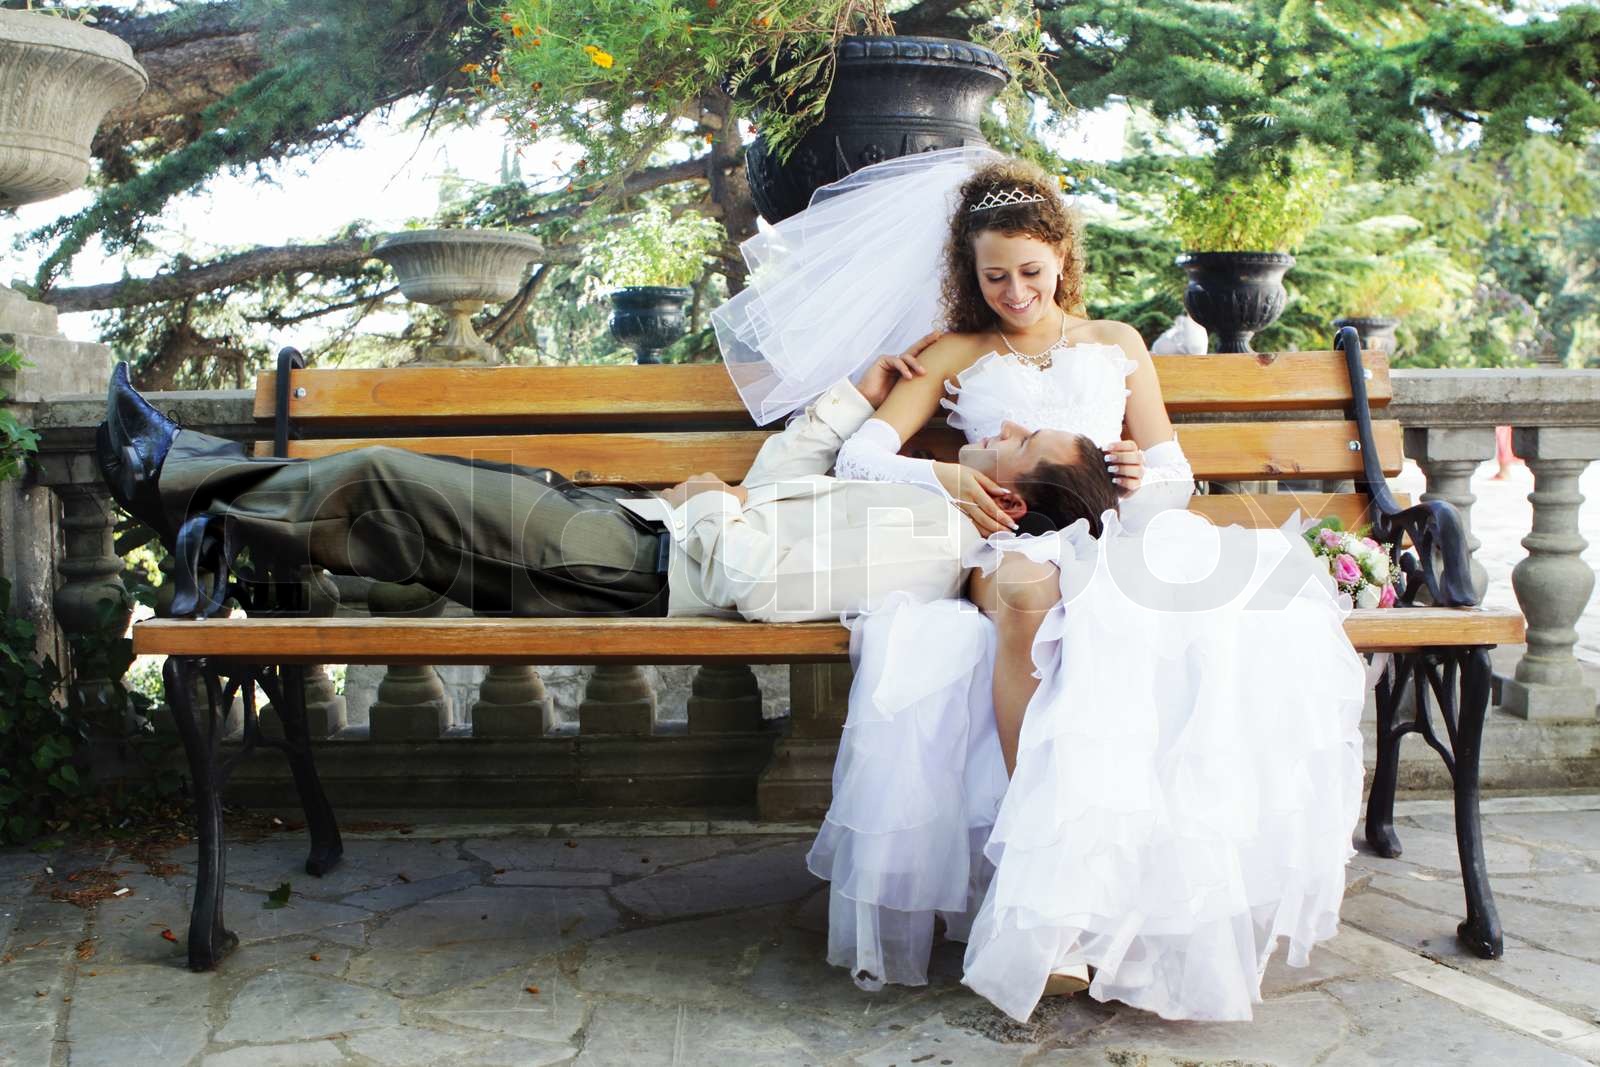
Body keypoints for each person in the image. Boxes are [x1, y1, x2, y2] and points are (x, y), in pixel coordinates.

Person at [715, 149, 1368, 1022]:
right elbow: (863, 455)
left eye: (1029, 271)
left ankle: (1123, 891)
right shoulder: (958, 351)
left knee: (1178, 622)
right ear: (970, 270)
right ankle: (1037, 858)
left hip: (1112, 532)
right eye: (994, 276)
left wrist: (1137, 474)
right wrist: (947, 477)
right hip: (1008, 540)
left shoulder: (1118, 345)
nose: (1014, 292)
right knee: (1032, 595)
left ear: (1061, 255)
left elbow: (1173, 473)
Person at [95, 358, 1115, 626]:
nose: (1003, 430)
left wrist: (711, 501)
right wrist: (856, 394)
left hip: (633, 563)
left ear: (1015, 502)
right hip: (627, 538)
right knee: (398, 529)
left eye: (1021, 443)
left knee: (386, 476)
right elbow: (783, 486)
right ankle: (204, 500)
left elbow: (760, 586)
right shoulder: (929, 500)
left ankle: (167, 470)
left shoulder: (930, 543)